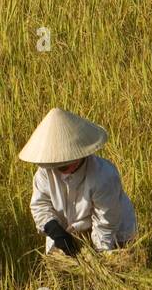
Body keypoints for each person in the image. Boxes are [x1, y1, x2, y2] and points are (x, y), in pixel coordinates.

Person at [20, 107, 137, 256]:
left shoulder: (103, 176)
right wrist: (54, 229)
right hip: (67, 232)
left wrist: (100, 259)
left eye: (64, 165)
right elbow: (40, 205)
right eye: (55, 166)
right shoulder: (45, 171)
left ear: (79, 155)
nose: (58, 169)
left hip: (111, 231)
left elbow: (105, 224)